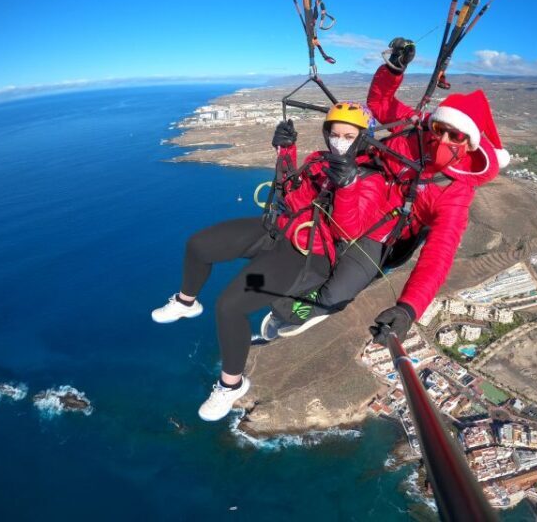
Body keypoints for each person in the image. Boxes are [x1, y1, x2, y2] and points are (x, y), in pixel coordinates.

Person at [151, 101, 397, 421]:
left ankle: (231, 385)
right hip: (278, 228)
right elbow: (291, 195)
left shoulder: (371, 179)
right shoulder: (319, 160)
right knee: (199, 245)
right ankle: (186, 302)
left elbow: (347, 231)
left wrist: (348, 186)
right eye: (334, 134)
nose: (339, 141)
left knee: (230, 306)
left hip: (304, 251)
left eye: (348, 136)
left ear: (364, 138)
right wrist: (286, 152)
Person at [270, 38, 510, 344]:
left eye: (456, 136)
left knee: (337, 292)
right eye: (440, 130)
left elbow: (439, 254)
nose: (443, 140)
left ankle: (307, 308)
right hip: (355, 188)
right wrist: (393, 69)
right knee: (296, 220)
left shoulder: (455, 192)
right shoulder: (414, 133)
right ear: (433, 125)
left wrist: (409, 308)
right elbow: (381, 103)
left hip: (381, 232)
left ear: (469, 143)